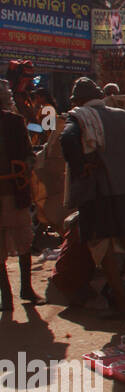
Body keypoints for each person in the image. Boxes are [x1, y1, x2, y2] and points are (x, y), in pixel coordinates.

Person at [59, 77, 125, 318]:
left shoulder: (79, 116)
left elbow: (66, 139)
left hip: (99, 193)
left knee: (103, 247)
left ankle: (123, 306)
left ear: (79, 100)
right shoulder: (121, 115)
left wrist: (81, 166)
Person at [0, 80, 37, 307]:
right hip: (13, 191)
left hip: (15, 192)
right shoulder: (16, 121)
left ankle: (26, 290)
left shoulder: (15, 122)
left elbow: (28, 154)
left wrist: (25, 168)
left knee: (24, 242)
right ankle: (7, 296)